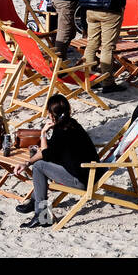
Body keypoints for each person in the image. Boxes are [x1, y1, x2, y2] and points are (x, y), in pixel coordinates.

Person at [11, 94, 98, 228]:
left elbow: (45, 154)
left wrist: (43, 133)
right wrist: (27, 163)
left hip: (81, 180)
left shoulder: (62, 132)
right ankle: (34, 203)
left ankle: (42, 215)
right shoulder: (71, 124)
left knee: (39, 167)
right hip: (88, 173)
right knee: (39, 164)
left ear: (52, 114)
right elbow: (48, 151)